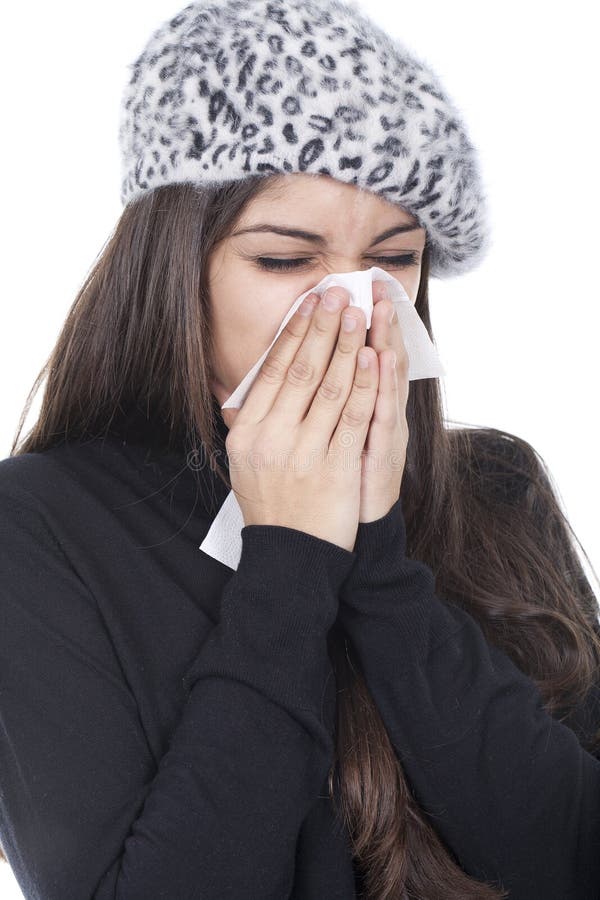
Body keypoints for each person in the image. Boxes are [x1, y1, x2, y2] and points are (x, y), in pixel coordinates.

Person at [1, 1, 599, 898]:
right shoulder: (40, 526)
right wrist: (292, 558)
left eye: (393, 259)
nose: (352, 310)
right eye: (285, 261)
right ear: (175, 274)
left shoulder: (495, 487)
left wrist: (378, 554)